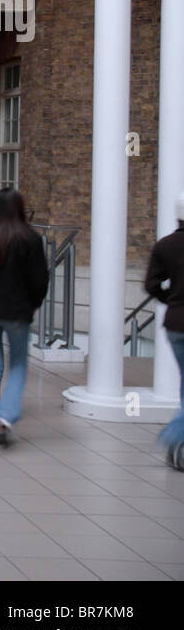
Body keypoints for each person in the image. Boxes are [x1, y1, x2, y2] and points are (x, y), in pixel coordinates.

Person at [0, 188, 48, 447]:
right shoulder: (30, 239)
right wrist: (34, 303)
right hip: (17, 311)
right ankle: (5, 415)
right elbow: (39, 279)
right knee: (18, 365)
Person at [145, 191, 184, 470]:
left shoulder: (165, 245)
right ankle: (174, 435)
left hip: (175, 322)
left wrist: (168, 299)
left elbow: (151, 284)